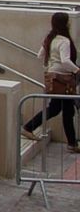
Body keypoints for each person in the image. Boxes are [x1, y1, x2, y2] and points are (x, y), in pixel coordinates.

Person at [21, 12, 79, 152]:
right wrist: (77, 69)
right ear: (65, 24)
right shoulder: (64, 41)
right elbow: (65, 61)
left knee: (58, 109)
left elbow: (40, 55)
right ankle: (72, 144)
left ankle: (29, 127)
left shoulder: (50, 38)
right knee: (66, 111)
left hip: (53, 78)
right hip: (64, 79)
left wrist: (50, 67)